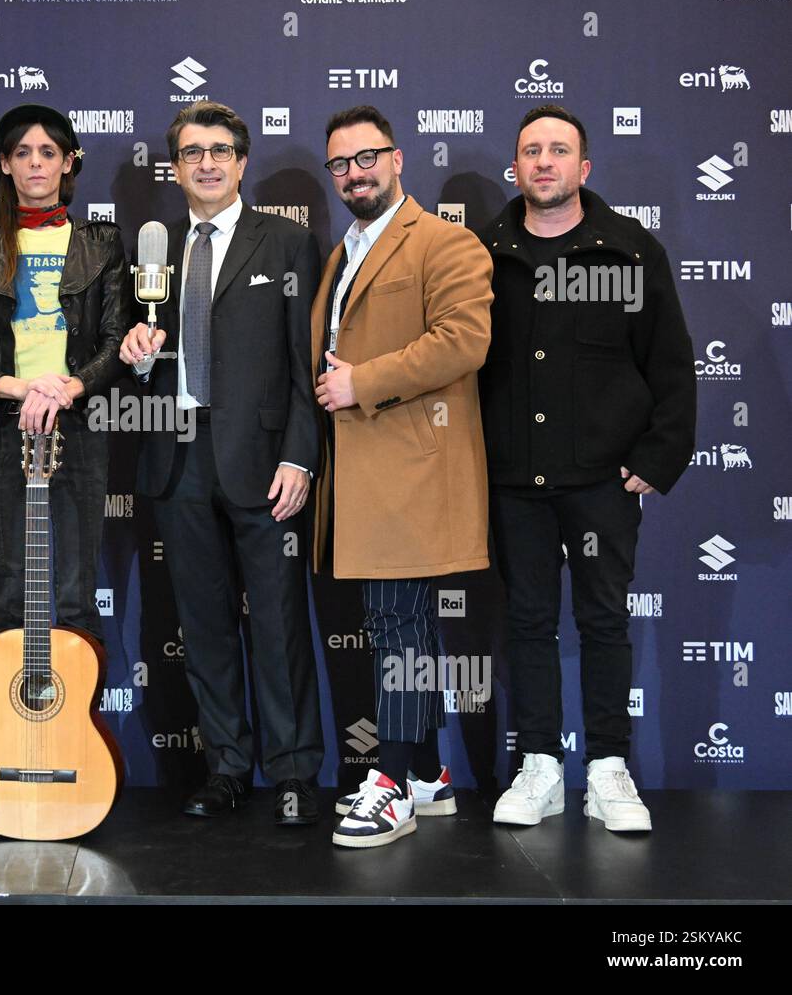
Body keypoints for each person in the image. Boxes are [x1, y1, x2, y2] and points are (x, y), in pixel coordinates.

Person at [481, 105, 695, 833]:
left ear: (585, 168)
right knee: (530, 622)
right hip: (515, 482)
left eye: (559, 150)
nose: (544, 162)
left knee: (604, 622)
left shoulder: (631, 252)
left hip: (604, 481)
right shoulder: (484, 253)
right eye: (531, 150)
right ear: (516, 167)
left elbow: (670, 364)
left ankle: (608, 767)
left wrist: (655, 460)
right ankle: (539, 764)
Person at [119, 101, 324, 826]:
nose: (206, 162)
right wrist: (136, 360)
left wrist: (302, 454)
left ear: (243, 162)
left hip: (265, 461)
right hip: (176, 460)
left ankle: (296, 771)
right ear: (173, 169)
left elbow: (305, 365)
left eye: (220, 150)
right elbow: (135, 351)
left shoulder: (288, 243)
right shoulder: (151, 246)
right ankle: (228, 767)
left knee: (277, 623)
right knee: (202, 629)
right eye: (191, 153)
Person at [311, 105, 493, 848]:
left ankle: (390, 782)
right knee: (399, 623)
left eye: (368, 158)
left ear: (398, 159)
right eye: (342, 164)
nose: (355, 173)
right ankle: (425, 774)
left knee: (398, 627)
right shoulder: (343, 250)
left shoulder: (445, 241)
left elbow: (465, 339)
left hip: (412, 468)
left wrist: (366, 382)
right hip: (359, 471)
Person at [0, 104, 125, 649]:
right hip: (4, 427)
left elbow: (117, 340)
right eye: (22, 153)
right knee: (9, 589)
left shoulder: (101, 244)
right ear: (4, 164)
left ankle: (75, 731)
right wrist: (26, 389)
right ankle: (10, 731)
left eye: (48, 152)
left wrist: (68, 387)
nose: (36, 165)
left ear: (69, 162)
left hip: (80, 426)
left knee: (75, 590)